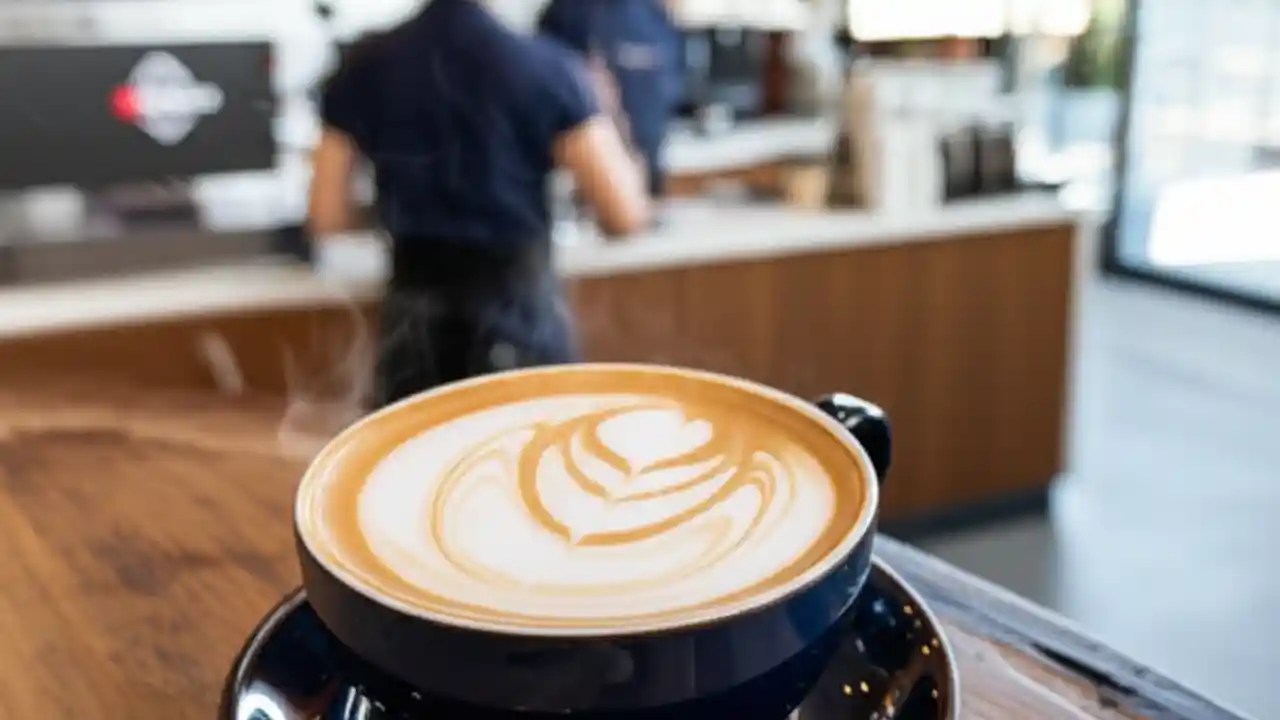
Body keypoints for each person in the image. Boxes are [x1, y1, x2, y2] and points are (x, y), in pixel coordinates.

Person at [307, 0, 650, 407]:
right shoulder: (547, 66)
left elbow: (326, 216)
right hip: (519, 320)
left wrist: (391, 211)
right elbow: (624, 214)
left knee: (416, 462)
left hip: (414, 326)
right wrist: (611, 111)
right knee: (530, 459)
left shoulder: (364, 66)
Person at [538, 0, 682, 198]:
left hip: (648, 175)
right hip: (587, 185)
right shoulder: (567, 14)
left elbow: (667, 91)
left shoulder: (654, 15)